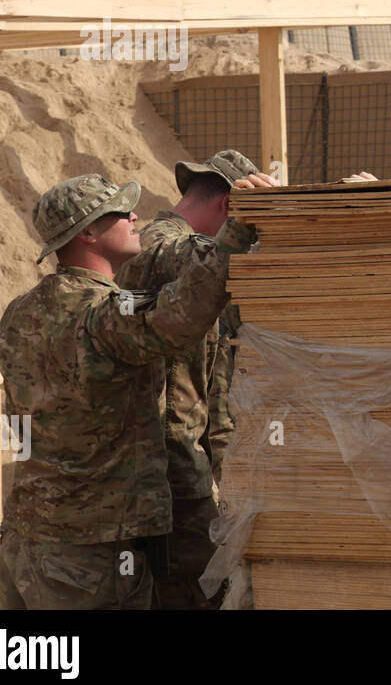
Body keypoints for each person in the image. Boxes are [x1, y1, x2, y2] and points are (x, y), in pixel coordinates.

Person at [0, 174, 255, 609]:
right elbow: (183, 313)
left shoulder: (20, 311)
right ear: (89, 233)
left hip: (24, 542)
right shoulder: (103, 315)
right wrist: (238, 231)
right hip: (91, 553)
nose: (136, 216)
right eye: (120, 212)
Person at [115, 150, 277, 609]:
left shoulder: (195, 258)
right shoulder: (157, 246)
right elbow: (198, 261)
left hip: (179, 458)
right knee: (200, 586)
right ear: (230, 207)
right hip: (164, 464)